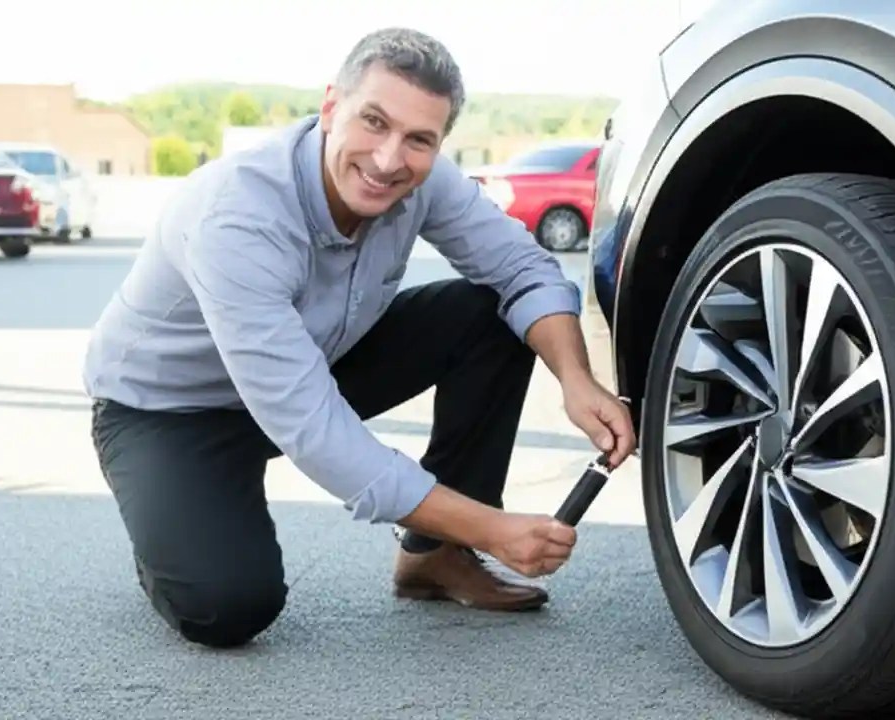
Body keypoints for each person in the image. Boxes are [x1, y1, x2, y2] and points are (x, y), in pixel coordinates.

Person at [82, 27, 636, 649]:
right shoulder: (236, 218)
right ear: (329, 108)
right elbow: (314, 429)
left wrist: (575, 378)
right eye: (373, 121)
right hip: (167, 413)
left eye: (419, 140)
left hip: (313, 362)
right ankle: (172, 521)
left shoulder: (422, 178)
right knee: (227, 606)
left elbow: (522, 267)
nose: (389, 158)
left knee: (492, 315)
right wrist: (495, 529)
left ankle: (437, 557)